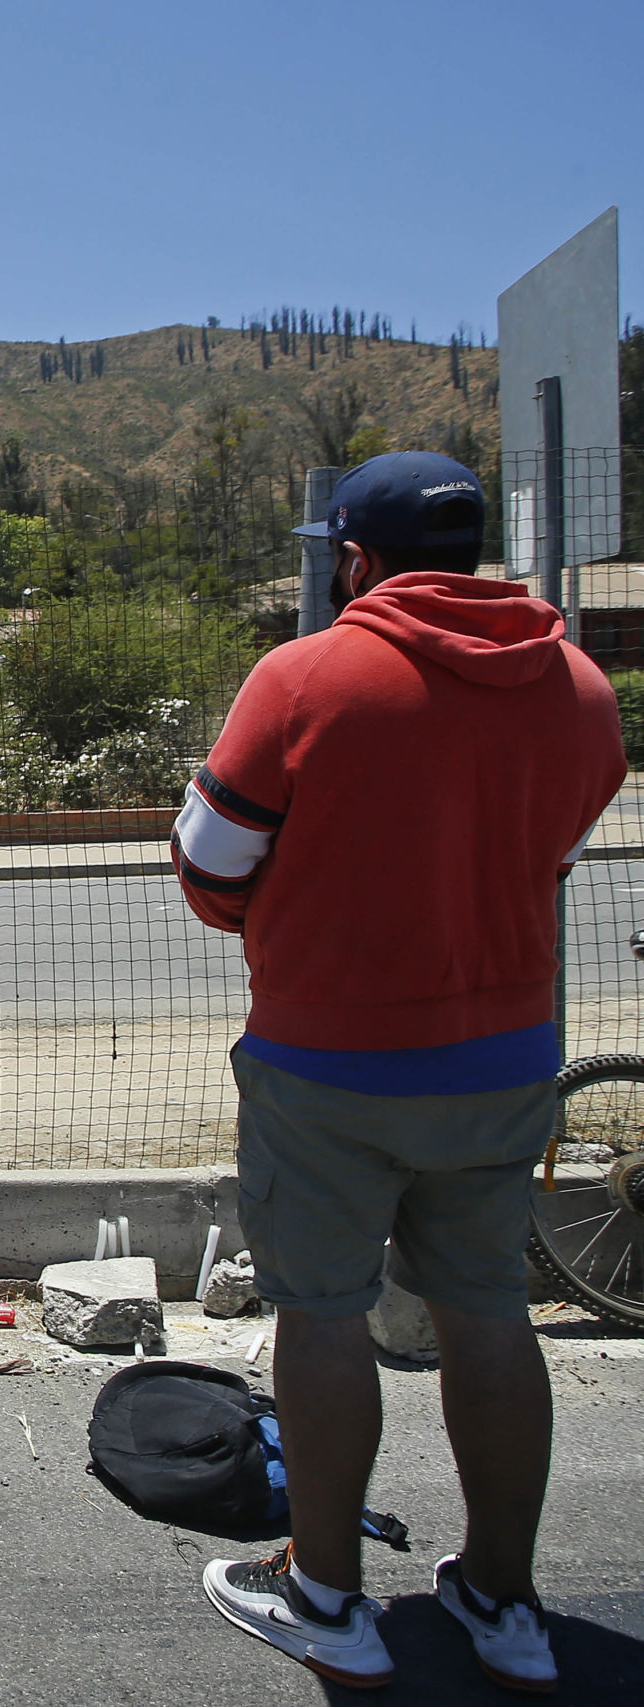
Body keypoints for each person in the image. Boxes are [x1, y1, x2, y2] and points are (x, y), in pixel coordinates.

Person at [175, 454, 624, 1694]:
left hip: (329, 1059)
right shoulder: (580, 688)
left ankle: (325, 1595)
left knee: (321, 1312)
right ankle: (502, 1598)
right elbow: (558, 854)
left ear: (351, 560)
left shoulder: (306, 677)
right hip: (503, 1056)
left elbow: (210, 872)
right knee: (489, 1308)